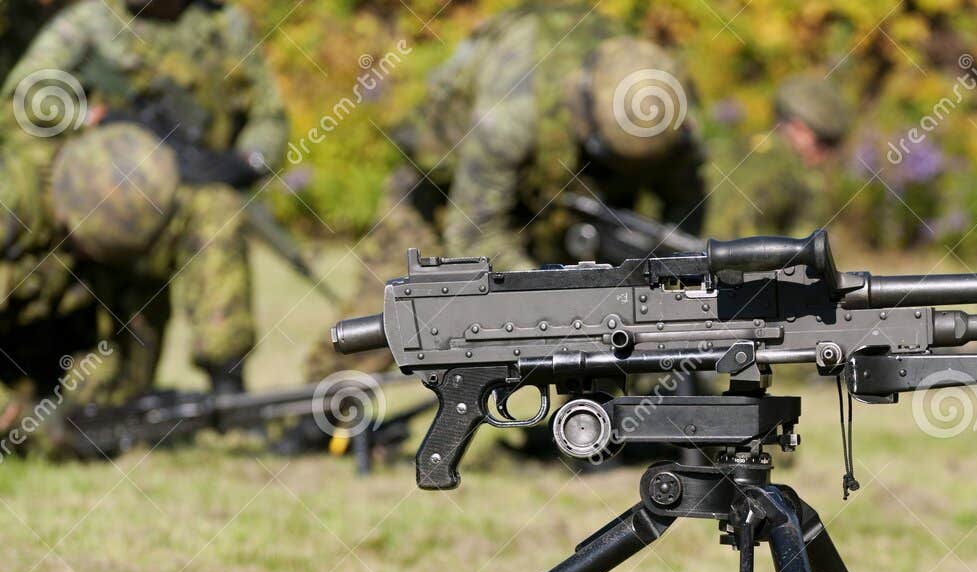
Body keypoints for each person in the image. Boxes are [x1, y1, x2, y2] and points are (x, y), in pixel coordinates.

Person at [306, 4, 707, 381]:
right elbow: (473, 235)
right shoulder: (510, 113)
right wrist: (554, 304)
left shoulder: (661, 112)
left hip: (562, 202)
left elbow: (685, 219)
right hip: (447, 193)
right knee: (402, 307)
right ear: (581, 119)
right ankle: (317, 409)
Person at [2, 0, 287, 399]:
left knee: (217, 208)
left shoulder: (224, 26)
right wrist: (95, 120)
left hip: (176, 204)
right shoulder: (94, 20)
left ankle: (229, 384)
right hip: (98, 204)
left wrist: (244, 162)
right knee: (99, 396)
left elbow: (269, 117)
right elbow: (23, 96)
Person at [714, 72, 850, 237]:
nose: (827, 155)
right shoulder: (803, 177)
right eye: (824, 143)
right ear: (799, 129)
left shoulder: (722, 148)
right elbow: (805, 249)